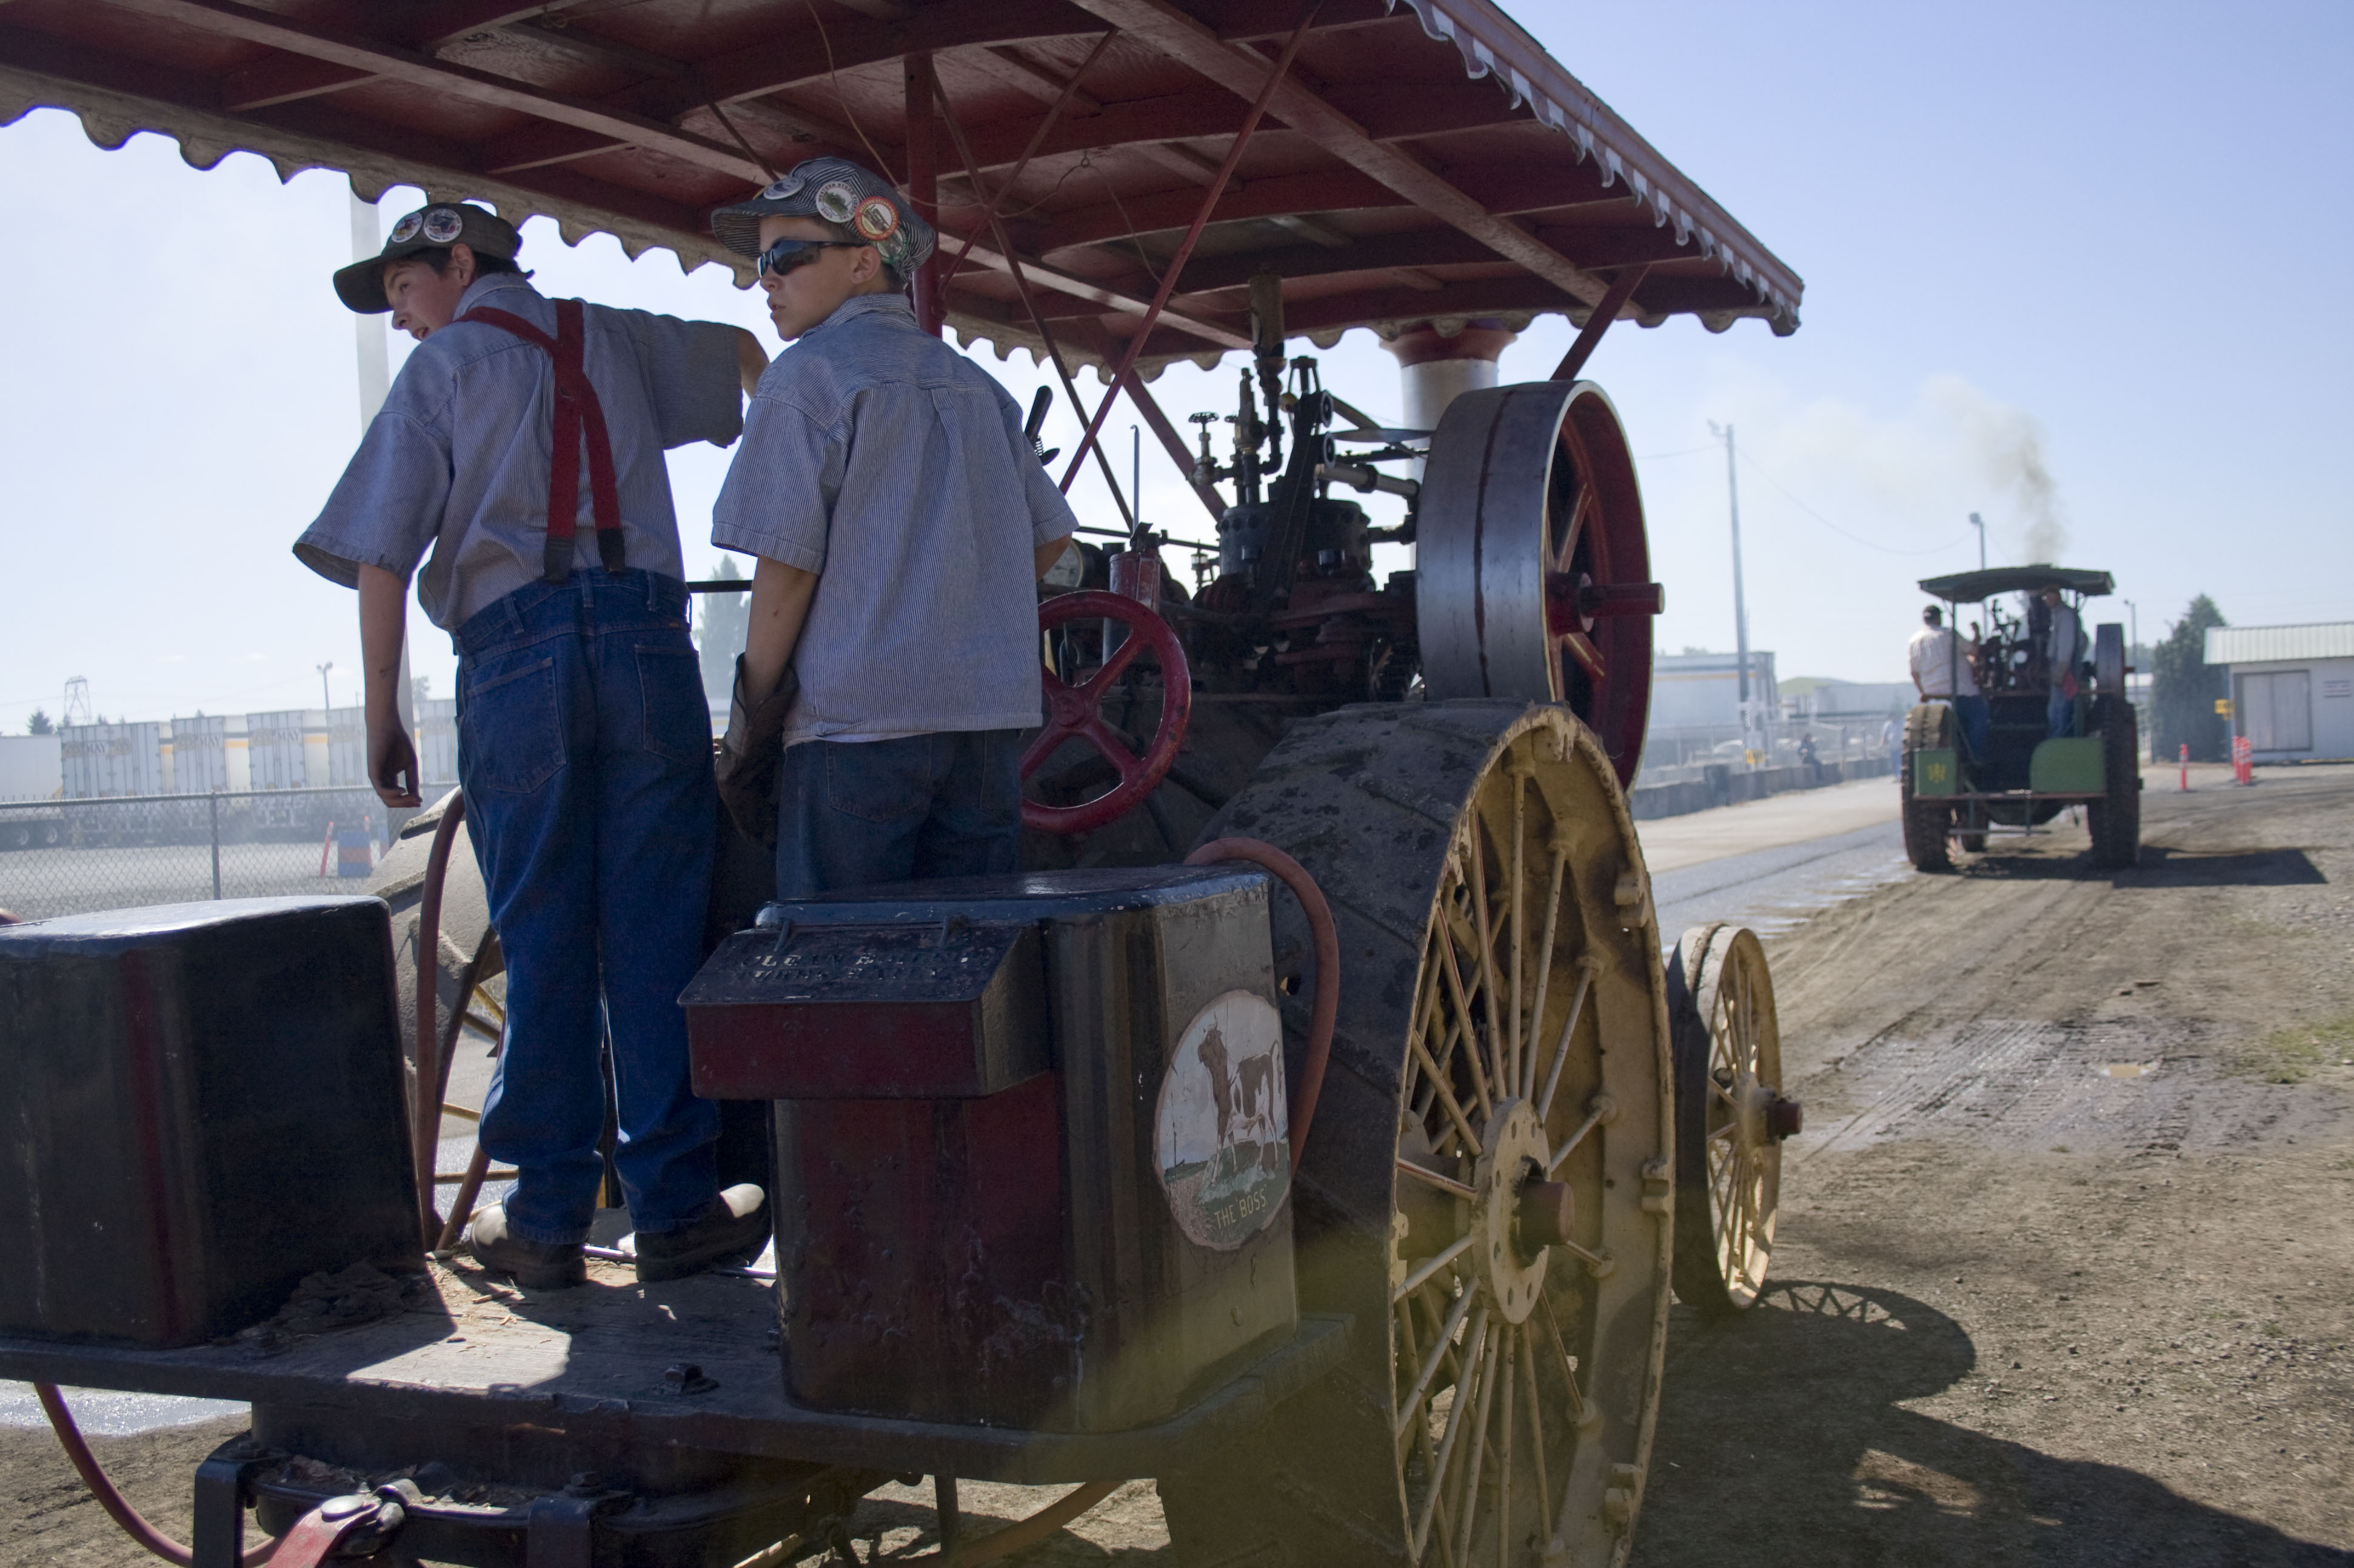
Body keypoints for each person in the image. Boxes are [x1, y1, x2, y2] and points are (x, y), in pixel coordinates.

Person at [294, 202, 774, 1291]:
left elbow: (380, 555)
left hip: (518, 662)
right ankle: (677, 1208)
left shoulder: (445, 369)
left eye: (407, 291)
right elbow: (747, 355)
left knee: (546, 936)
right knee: (656, 934)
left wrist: (383, 715)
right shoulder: (613, 335)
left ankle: (549, 1216)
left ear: (460, 266)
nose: (406, 319)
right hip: (651, 650)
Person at [701, 159, 1077, 895]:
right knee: (969, 974)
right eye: (759, 263)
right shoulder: (979, 386)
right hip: (983, 732)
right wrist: (951, 610)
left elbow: (787, 567)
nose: (763, 280)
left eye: (784, 257)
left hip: (854, 735)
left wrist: (751, 721)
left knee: (842, 974)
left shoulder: (804, 377)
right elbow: (1050, 537)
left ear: (864, 261)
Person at [1908, 604, 1988, 766]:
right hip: (1960, 694)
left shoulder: (1914, 641)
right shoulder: (1948, 634)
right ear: (1939, 618)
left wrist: (1923, 693)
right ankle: (1976, 758)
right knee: (1982, 716)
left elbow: (1914, 673)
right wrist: (1977, 634)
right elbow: (1974, 652)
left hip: (1933, 697)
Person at [2041, 585, 2084, 738]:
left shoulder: (2065, 615)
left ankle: (2058, 739)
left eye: (2050, 596)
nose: (2047, 600)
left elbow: (2066, 643)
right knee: (2057, 707)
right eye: (2046, 597)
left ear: (2057, 597)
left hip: (2064, 667)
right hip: (2060, 665)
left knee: (2058, 708)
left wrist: (2061, 669)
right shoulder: (2058, 615)